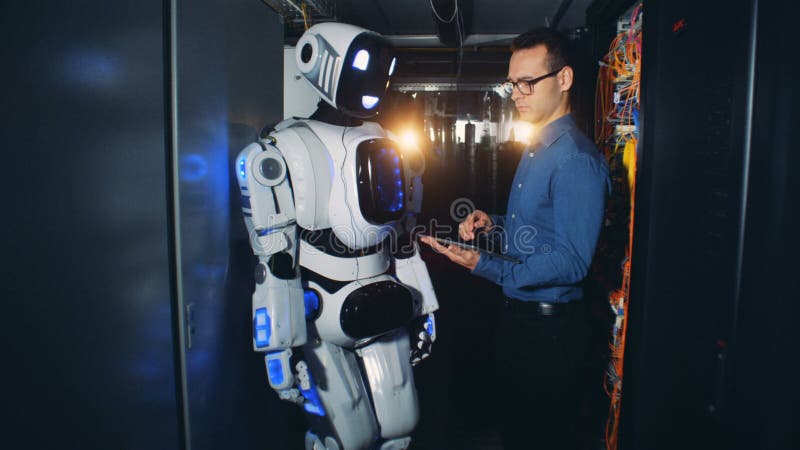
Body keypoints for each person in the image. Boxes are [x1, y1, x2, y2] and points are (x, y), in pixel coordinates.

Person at [420, 27, 609, 450]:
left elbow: (570, 261)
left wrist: (482, 263)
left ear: (564, 79)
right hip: (520, 322)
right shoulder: (536, 146)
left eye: (527, 82)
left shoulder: (576, 160)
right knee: (516, 432)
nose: (517, 93)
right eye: (512, 83)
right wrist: (495, 225)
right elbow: (541, 232)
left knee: (539, 437)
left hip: (551, 334)